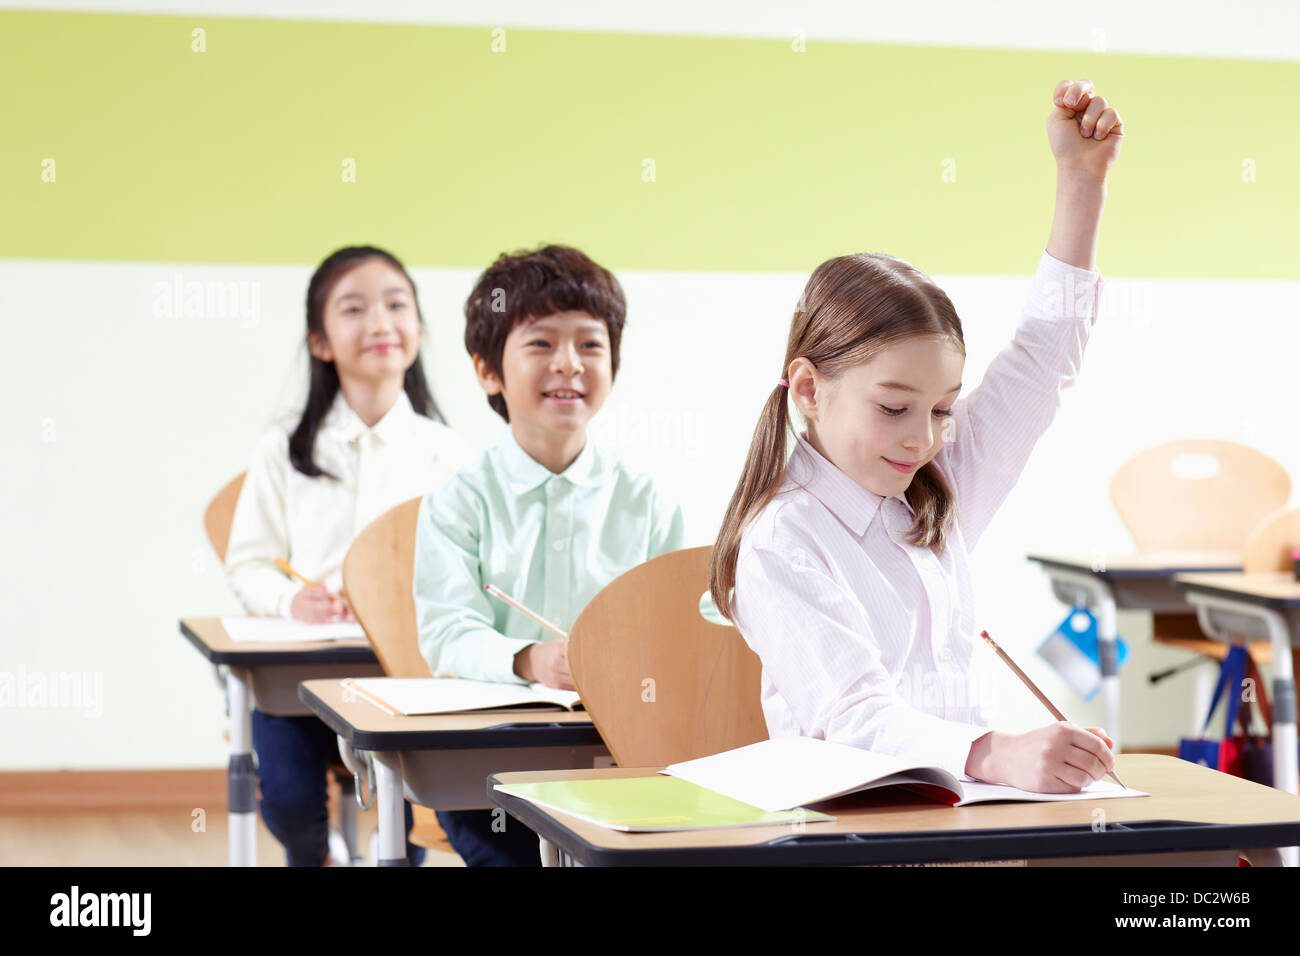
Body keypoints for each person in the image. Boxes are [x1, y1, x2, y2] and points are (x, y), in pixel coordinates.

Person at [710, 80, 1123, 794]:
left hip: (964, 821)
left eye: (942, 410)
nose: (924, 439)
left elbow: (1044, 358)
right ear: (809, 389)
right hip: (849, 839)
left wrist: (1080, 183)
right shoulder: (781, 540)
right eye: (895, 408)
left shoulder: (934, 492)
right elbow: (856, 719)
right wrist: (997, 753)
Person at [413, 243, 685, 865]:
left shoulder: (647, 499)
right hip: (488, 768)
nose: (569, 364)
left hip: (620, 753)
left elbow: (681, 624)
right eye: (540, 344)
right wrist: (530, 659)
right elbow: (447, 636)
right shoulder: (458, 501)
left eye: (590, 344)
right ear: (488, 371)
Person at [225, 245, 470, 865]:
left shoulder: (447, 455)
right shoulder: (284, 449)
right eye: (354, 309)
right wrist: (291, 600)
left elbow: (470, 573)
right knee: (284, 801)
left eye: (396, 305)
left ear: (417, 328)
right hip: (300, 673)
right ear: (321, 342)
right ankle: (323, 852)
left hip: (400, 673)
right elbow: (248, 566)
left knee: (407, 813)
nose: (381, 323)